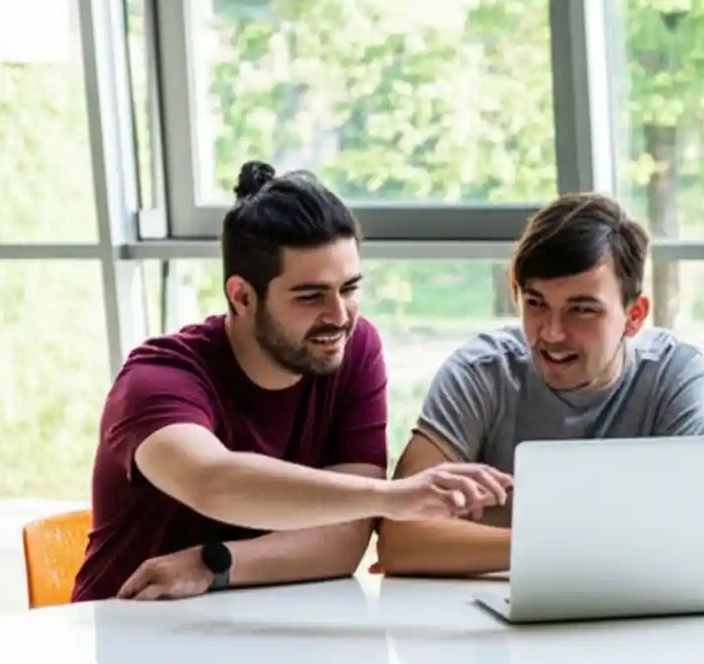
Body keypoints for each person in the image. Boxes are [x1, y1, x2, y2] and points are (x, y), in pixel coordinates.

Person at [71, 161, 509, 602]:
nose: (339, 316)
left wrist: (213, 564)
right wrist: (391, 497)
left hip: (252, 623)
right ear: (242, 296)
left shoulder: (353, 350)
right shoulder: (158, 378)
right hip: (128, 621)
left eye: (349, 288)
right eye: (311, 296)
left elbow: (343, 538)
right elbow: (212, 480)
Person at [376, 193, 704, 576]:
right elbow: (400, 538)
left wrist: (524, 545)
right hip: (488, 605)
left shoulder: (675, 376)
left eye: (582, 309)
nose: (552, 333)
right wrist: (567, 547)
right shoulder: (482, 372)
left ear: (634, 316)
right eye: (536, 303)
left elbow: (687, 537)